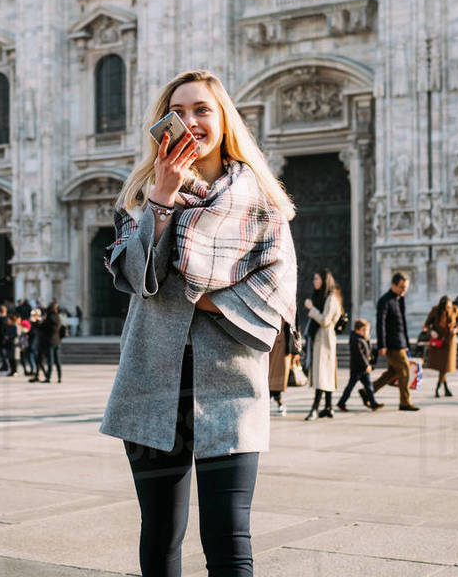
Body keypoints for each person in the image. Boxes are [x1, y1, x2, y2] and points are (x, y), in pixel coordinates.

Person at [101, 69, 297, 577]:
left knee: (229, 539)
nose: (190, 121)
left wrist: (183, 290)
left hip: (230, 386)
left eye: (201, 110)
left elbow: (273, 293)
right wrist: (162, 199)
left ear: (223, 119)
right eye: (178, 111)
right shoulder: (139, 196)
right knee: (162, 537)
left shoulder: (263, 201)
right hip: (150, 385)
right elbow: (135, 276)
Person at [372, 272, 419, 411]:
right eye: (401, 287)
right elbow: (381, 324)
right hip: (391, 344)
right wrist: (382, 345)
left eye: (405, 287)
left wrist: (406, 345)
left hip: (400, 343)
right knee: (405, 371)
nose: (404, 290)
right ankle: (404, 402)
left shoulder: (399, 299)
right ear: (393, 285)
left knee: (392, 372)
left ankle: (368, 391)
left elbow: (402, 324)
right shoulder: (385, 301)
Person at [303, 269, 343, 421]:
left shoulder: (331, 298)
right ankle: (328, 407)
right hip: (320, 338)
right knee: (325, 373)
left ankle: (314, 408)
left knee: (322, 374)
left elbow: (325, 320)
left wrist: (311, 308)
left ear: (324, 281)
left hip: (325, 340)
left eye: (317, 279)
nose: (315, 282)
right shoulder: (323, 297)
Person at [422, 295, 458, 398]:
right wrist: (431, 331)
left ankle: (439, 388)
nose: (446, 309)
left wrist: (456, 330)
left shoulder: (455, 309)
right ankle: (444, 389)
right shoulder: (435, 310)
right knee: (442, 367)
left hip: (450, 341)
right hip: (438, 341)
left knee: (444, 366)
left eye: (448, 307)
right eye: (444, 307)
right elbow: (426, 325)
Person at [337, 319, 383, 411]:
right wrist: (366, 365)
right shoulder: (355, 339)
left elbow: (368, 351)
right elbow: (359, 355)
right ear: (358, 330)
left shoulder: (362, 339)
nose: (366, 332)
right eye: (365, 330)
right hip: (357, 369)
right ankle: (341, 402)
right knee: (350, 387)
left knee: (369, 387)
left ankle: (373, 403)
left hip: (363, 369)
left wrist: (368, 339)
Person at [267, 321, 297, 415]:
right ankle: (279, 404)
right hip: (272, 345)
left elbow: (295, 328)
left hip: (283, 347)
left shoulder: (289, 309)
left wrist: (295, 352)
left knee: (275, 379)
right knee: (271, 379)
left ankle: (279, 404)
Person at [36, 301, 64, 383]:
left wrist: (39, 322)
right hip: (57, 341)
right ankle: (59, 377)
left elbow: (43, 328)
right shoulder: (58, 317)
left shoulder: (49, 318)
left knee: (50, 361)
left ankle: (48, 377)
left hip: (50, 341)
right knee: (58, 361)